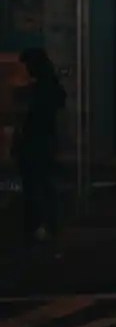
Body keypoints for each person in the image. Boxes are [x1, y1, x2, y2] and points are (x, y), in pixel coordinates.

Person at [14, 48, 65, 245]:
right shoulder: (49, 88)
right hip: (41, 142)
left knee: (36, 186)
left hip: (36, 143)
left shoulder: (40, 90)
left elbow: (33, 120)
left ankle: (38, 226)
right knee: (42, 184)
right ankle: (44, 225)